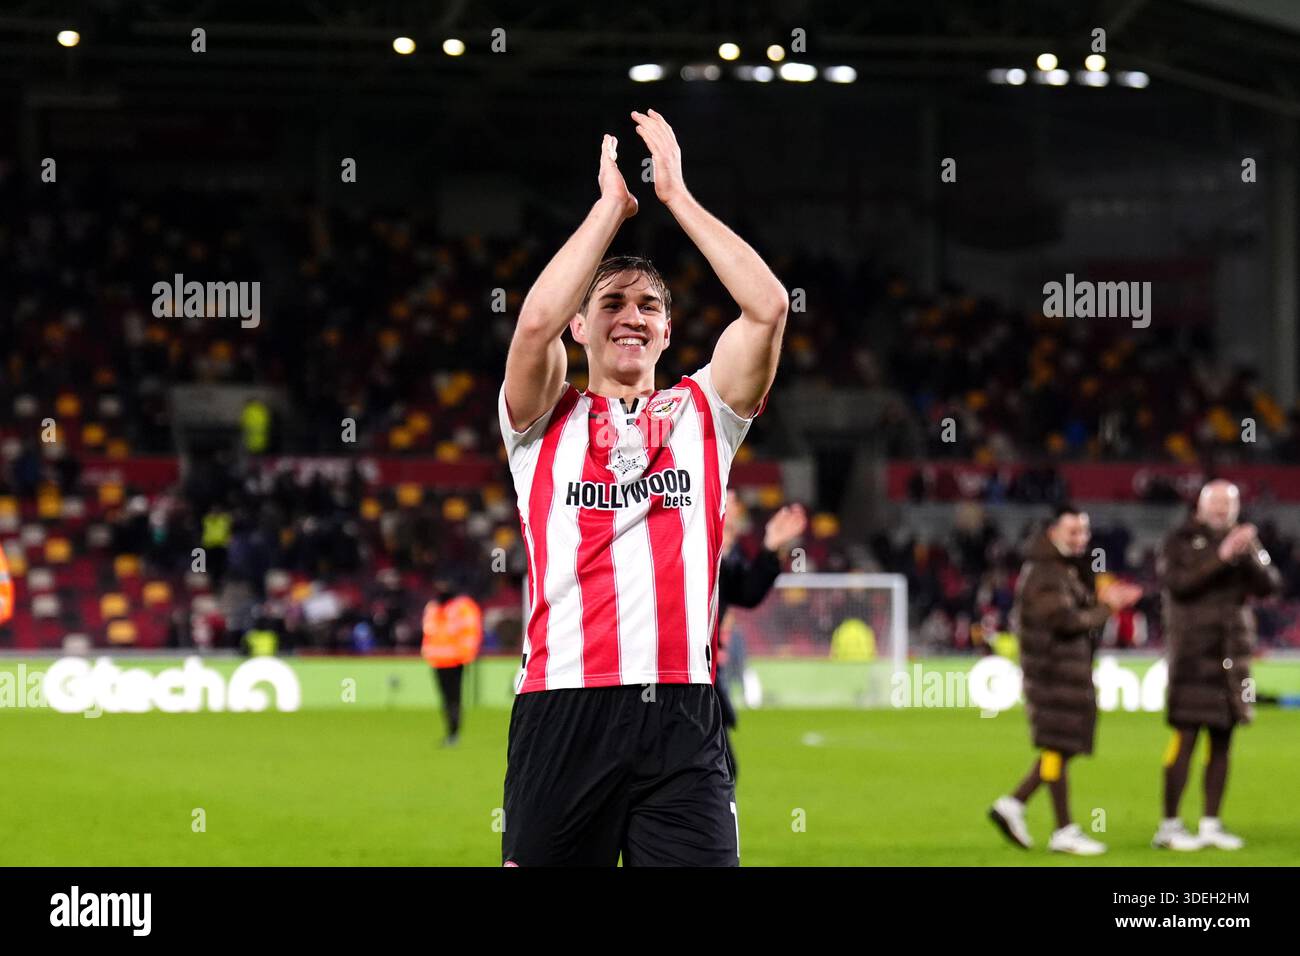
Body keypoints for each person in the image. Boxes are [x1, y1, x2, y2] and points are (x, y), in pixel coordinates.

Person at [497, 109, 787, 866]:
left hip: (682, 715)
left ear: (667, 331)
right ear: (580, 330)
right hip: (563, 707)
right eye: (612, 305)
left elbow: (768, 307)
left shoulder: (704, 412)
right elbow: (531, 327)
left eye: (650, 307)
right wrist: (609, 212)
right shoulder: (541, 422)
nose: (633, 317)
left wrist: (677, 196)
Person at [988, 504, 1141, 855]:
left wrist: (1102, 599)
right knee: (1059, 744)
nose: (1080, 539)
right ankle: (1061, 829)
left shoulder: (1065, 568)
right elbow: (1065, 620)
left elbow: (1080, 615)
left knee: (1062, 745)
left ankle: (1015, 806)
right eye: (1072, 532)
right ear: (1052, 532)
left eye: (1084, 532)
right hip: (1051, 670)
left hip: (1064, 670)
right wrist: (1107, 608)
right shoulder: (1044, 572)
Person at [1152, 480, 1280, 851]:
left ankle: (1210, 823)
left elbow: (1270, 586)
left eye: (1230, 504)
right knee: (1185, 739)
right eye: (1217, 503)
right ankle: (1170, 825)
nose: (1223, 510)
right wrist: (1222, 556)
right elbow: (1177, 584)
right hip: (1192, 655)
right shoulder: (1178, 540)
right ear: (1201, 506)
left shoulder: (1245, 544)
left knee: (1223, 742)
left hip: (1231, 658)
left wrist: (1252, 552)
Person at [716, 490, 807, 779]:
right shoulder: (691, 544)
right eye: (728, 497)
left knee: (723, 769)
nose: (734, 501)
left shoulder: (729, 552)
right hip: (677, 680)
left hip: (705, 677)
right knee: (720, 771)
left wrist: (770, 549)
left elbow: (747, 592)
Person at [421, 581, 483, 747]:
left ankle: (453, 733)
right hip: (438, 659)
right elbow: (429, 631)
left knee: (453, 698)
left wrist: (467, 653)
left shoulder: (461, 607)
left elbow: (470, 631)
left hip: (455, 659)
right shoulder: (434, 607)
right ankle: (451, 732)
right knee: (446, 698)